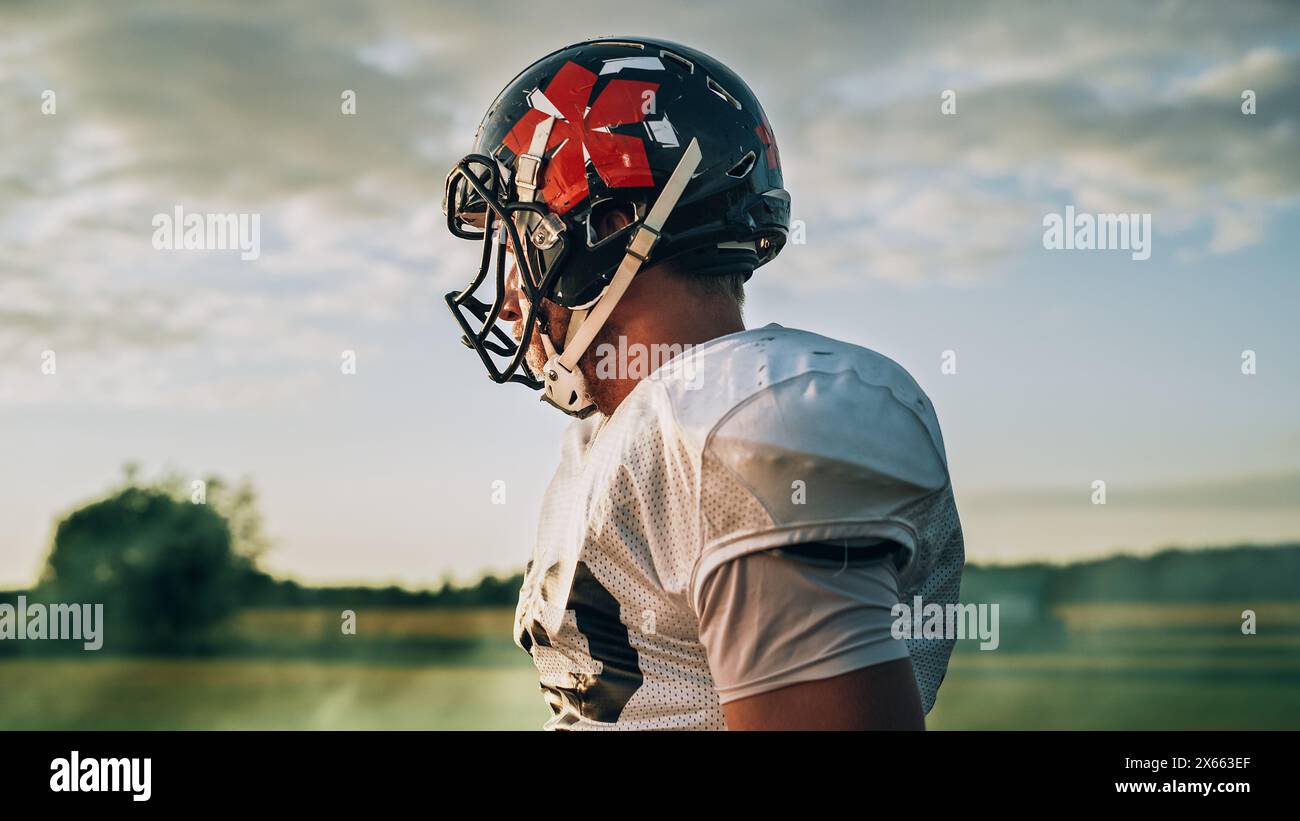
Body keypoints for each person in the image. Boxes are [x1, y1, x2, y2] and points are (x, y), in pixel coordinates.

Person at [442, 36, 964, 730]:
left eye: (520, 242)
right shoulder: (613, 437)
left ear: (611, 225)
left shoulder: (751, 415)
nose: (508, 298)